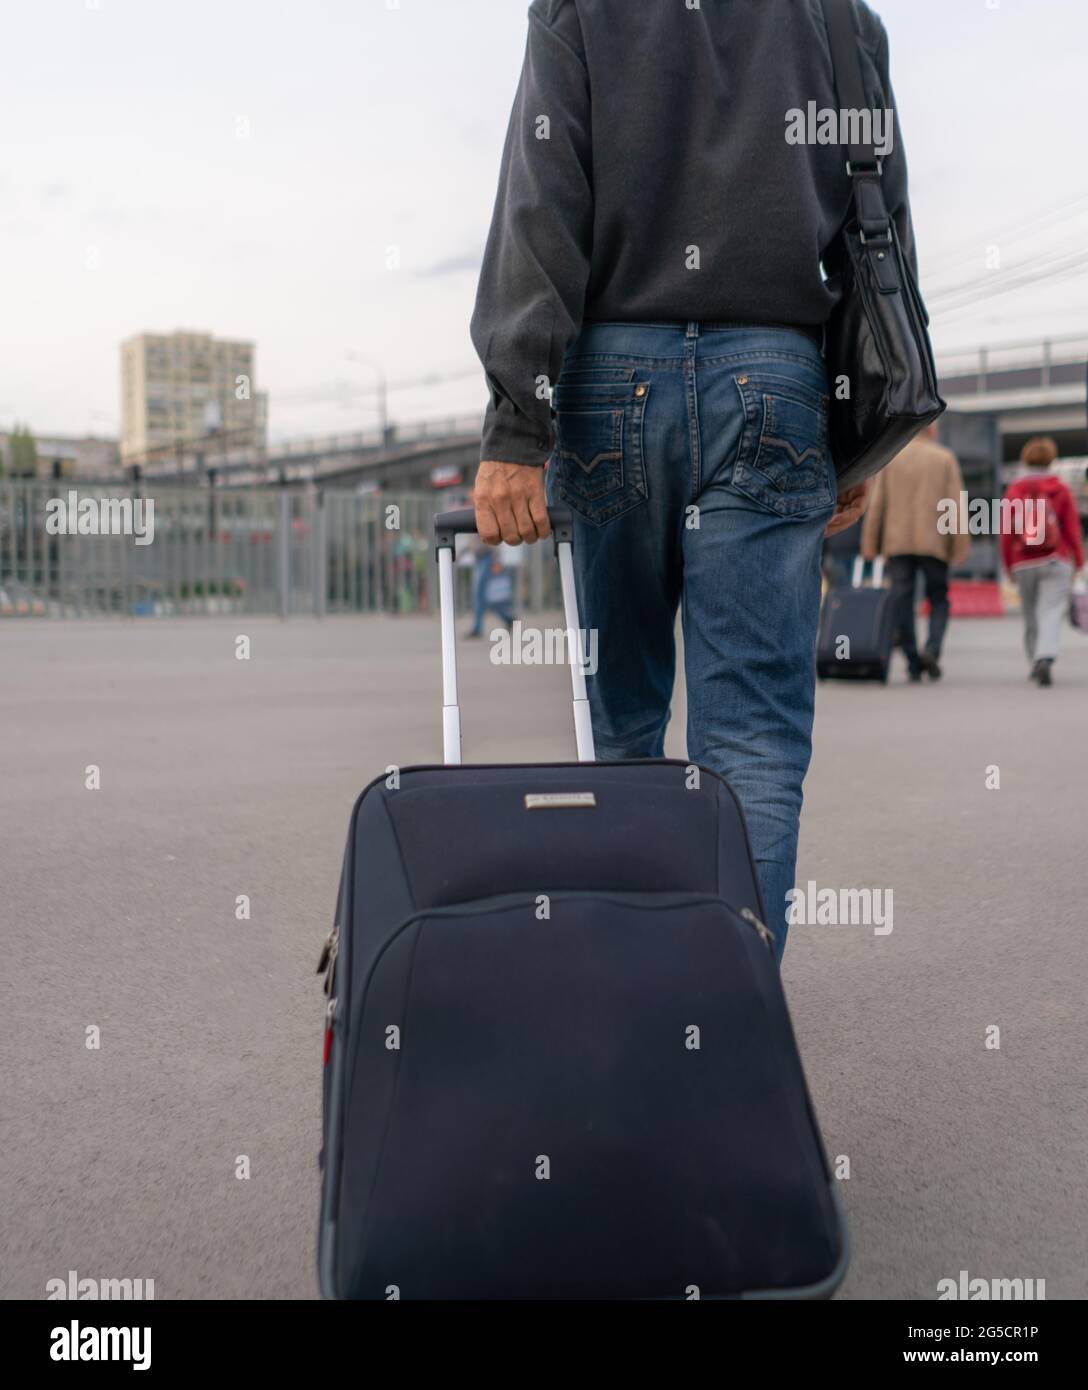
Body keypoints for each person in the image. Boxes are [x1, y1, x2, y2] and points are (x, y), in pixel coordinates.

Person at [468, 0, 915, 957]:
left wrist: (519, 417)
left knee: (623, 723)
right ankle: (729, 1009)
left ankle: (636, 1001)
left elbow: (543, 194)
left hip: (607, 376)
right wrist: (852, 430)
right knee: (752, 734)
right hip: (779, 371)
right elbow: (878, 225)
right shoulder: (839, 19)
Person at [860, 424, 971, 681]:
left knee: (902, 600)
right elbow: (956, 504)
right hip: (935, 543)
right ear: (932, 431)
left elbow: (877, 504)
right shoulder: (944, 459)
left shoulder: (892, 458)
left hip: (897, 543)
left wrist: (869, 544)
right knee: (938, 598)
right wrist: (959, 546)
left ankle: (912, 660)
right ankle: (932, 649)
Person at [999, 437, 1085, 686]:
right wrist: (1078, 561)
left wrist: (1008, 565)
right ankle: (1045, 656)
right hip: (1055, 560)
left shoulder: (1014, 490)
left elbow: (1006, 532)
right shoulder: (1060, 489)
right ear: (1051, 460)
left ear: (1025, 459)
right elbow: (1071, 529)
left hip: (1022, 561)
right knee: (1051, 611)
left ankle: (1035, 660)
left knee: (1030, 615)